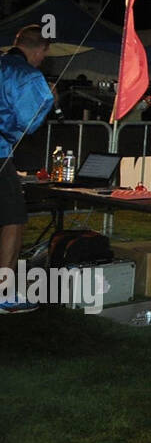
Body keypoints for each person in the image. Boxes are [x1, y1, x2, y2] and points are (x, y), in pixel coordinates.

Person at [0, 26, 55, 314]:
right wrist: (49, 99)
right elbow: (29, 122)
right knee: (14, 219)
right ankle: (3, 293)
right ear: (39, 50)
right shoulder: (27, 75)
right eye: (43, 56)